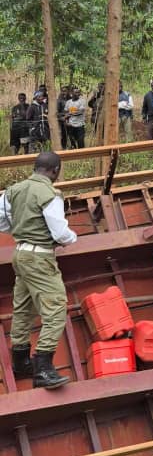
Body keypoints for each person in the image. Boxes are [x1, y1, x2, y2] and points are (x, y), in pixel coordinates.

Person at [0, 151, 75, 389]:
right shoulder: (50, 194)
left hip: (20, 254)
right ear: (55, 170)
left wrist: (22, 228)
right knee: (55, 309)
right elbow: (60, 233)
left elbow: (1, 221)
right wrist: (72, 237)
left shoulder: (13, 190)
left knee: (23, 307)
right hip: (40, 257)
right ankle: (43, 368)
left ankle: (21, 361)